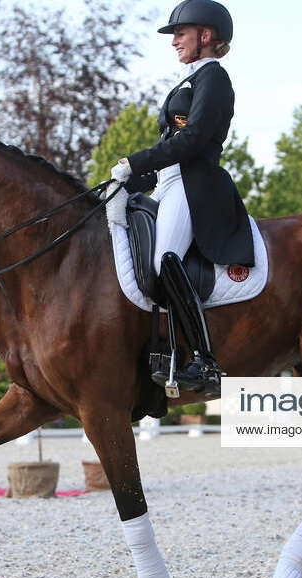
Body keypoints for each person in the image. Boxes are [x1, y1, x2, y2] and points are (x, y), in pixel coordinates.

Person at [110, 0, 253, 397]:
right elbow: (171, 143)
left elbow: (193, 139)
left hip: (194, 185)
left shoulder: (214, 78)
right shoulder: (190, 79)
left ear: (205, 35)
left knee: (164, 260)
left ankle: (205, 361)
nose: (174, 41)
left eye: (180, 33)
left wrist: (134, 162)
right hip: (169, 181)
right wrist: (131, 180)